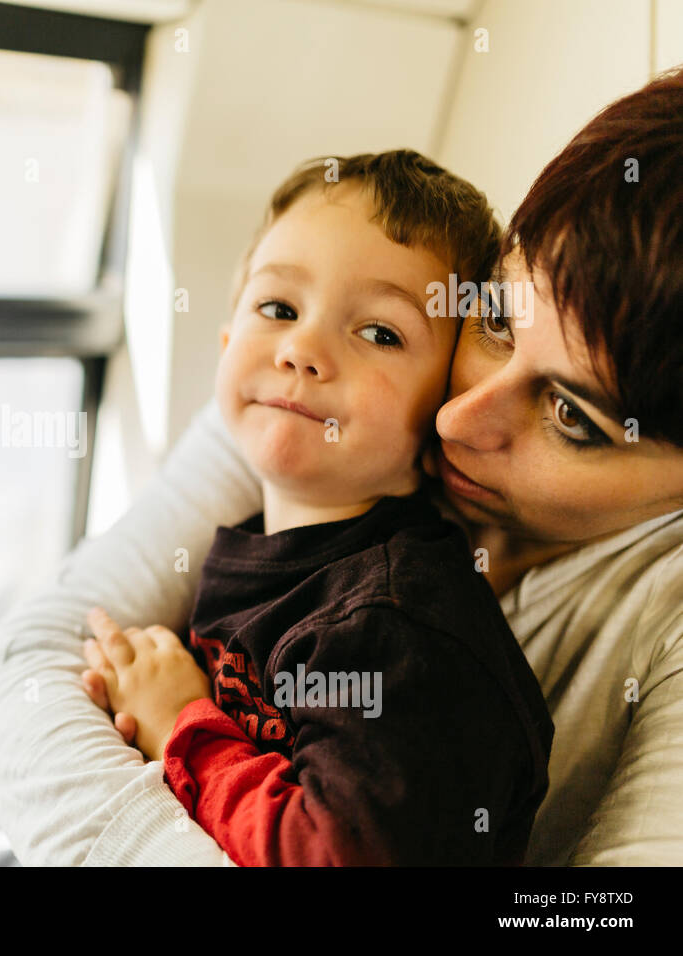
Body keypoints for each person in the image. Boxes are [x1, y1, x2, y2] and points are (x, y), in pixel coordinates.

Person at [0, 67, 683, 866]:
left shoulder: (410, 605)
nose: (455, 419)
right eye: (497, 321)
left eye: (573, 417)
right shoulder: (304, 419)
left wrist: (183, 732)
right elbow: (14, 679)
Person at [79, 150, 553, 866]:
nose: (303, 348)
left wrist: (180, 720)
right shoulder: (249, 548)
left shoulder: (398, 629)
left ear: (445, 412)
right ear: (227, 342)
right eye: (278, 308)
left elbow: (328, 855)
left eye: (379, 333)